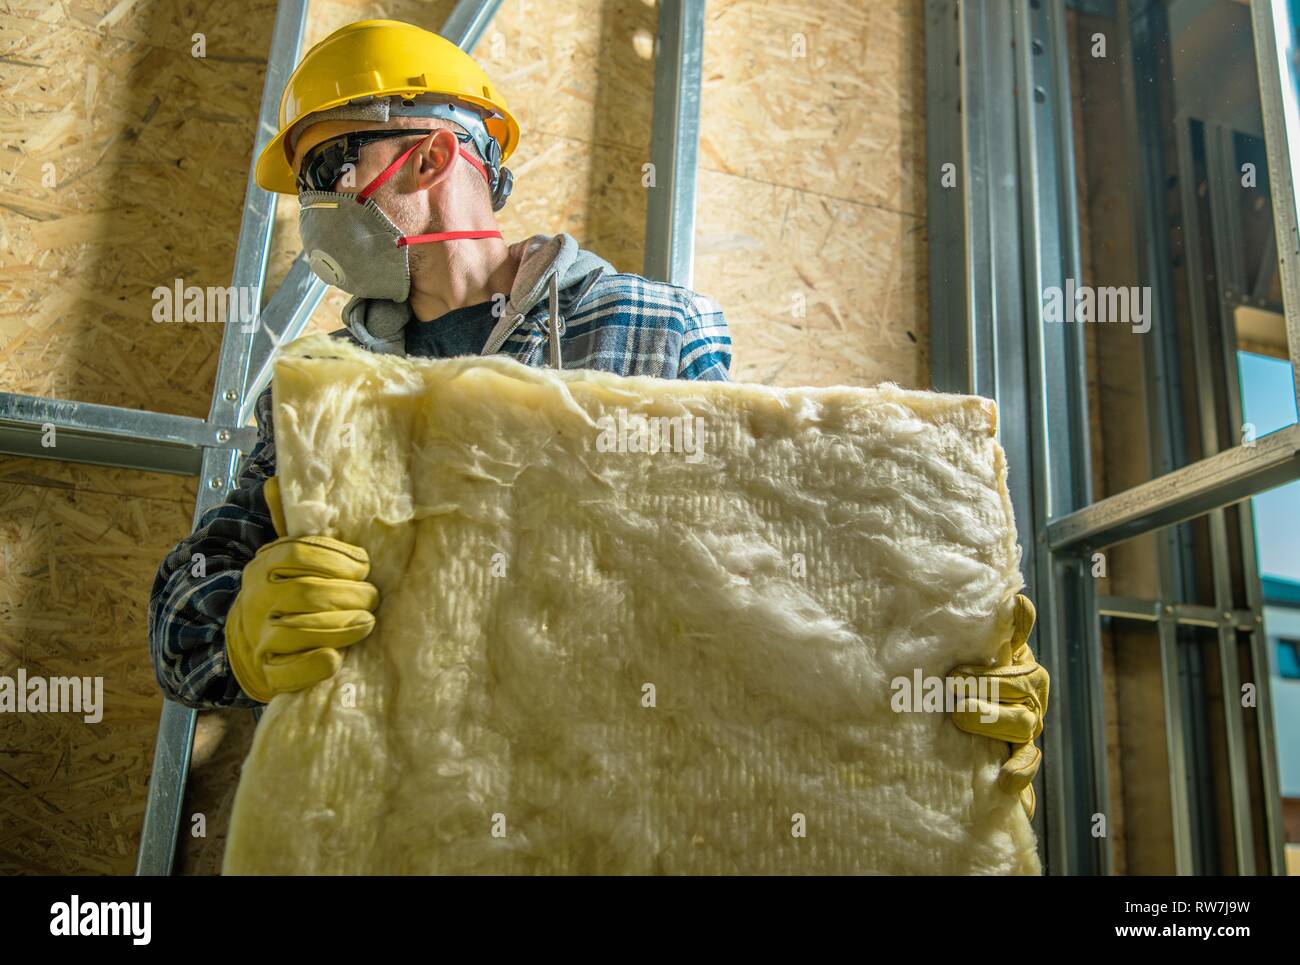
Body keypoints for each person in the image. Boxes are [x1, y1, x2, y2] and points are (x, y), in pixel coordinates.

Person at [147, 18, 1045, 819]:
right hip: (401, 822)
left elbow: (760, 570)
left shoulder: (649, 330)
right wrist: (233, 628)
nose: (313, 212)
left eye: (324, 171)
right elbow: (180, 612)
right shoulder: (319, 387)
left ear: (427, 158)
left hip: (602, 811)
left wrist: (936, 680)